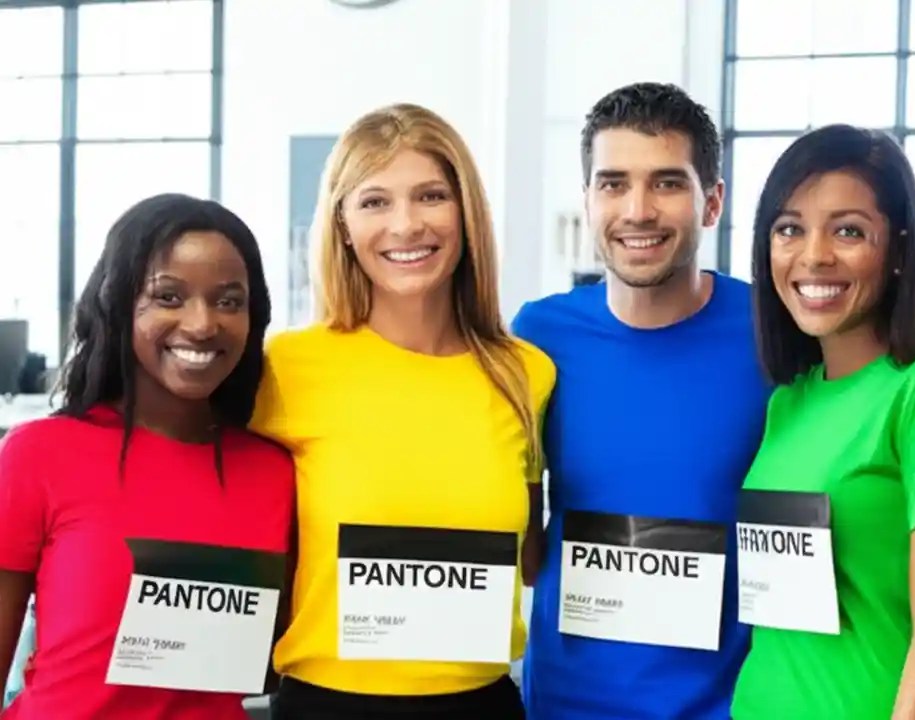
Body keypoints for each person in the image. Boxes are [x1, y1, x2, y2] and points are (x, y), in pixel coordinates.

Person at [252, 103, 555, 720]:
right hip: (325, 707)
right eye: (374, 202)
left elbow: (530, 556)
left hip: (479, 707)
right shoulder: (284, 367)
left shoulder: (527, 373)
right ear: (341, 224)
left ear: (466, 213)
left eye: (431, 196)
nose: (407, 224)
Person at [514, 82, 770, 719]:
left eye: (667, 183)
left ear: (711, 202)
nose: (638, 209)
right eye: (613, 183)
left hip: (727, 705)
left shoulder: (775, 332)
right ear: (587, 198)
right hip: (564, 704)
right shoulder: (538, 338)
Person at [727, 124, 915, 719]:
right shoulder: (789, 401)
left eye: (849, 231)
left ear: (898, 250)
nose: (814, 254)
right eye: (789, 229)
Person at [0, 193, 294, 719]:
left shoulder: (275, 473)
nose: (203, 324)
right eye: (169, 297)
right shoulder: (39, 456)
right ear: (118, 306)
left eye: (229, 301)